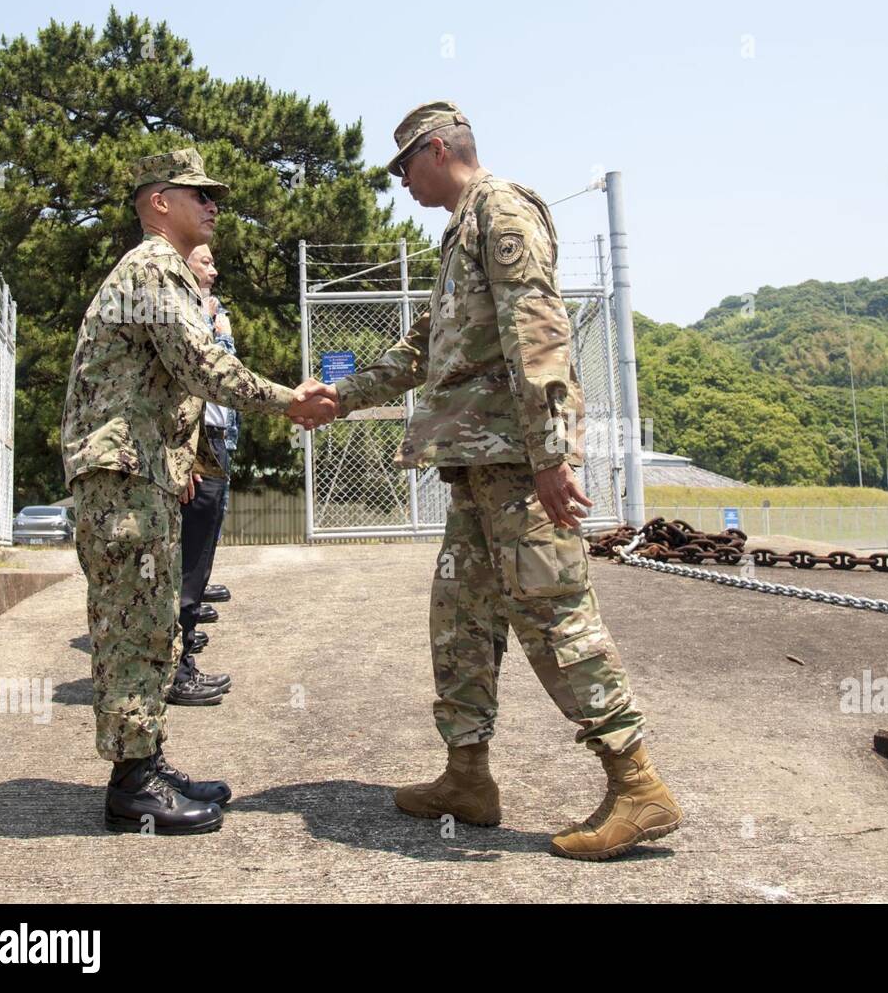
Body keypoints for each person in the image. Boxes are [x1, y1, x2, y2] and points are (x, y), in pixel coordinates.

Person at [301, 102, 683, 860]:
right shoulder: (459, 233)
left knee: (553, 612)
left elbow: (537, 330)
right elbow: (421, 351)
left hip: (516, 464)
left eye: (405, 165)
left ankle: (637, 784)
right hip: (477, 469)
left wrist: (551, 454)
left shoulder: (501, 211)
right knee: (461, 617)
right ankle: (467, 777)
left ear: (438, 150)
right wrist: (339, 396)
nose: (402, 181)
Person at [62, 147, 335, 835]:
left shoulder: (163, 269)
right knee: (133, 628)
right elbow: (200, 364)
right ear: (160, 203)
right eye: (199, 194)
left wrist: (184, 461)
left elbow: (172, 382)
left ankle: (145, 763)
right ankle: (132, 788)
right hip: (123, 477)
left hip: (138, 473)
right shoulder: (154, 266)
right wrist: (288, 399)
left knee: (152, 621)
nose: (213, 205)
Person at [167, 243, 235, 707]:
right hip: (192, 444)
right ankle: (177, 669)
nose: (213, 270)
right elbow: (193, 381)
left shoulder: (207, 311)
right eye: (204, 261)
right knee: (185, 567)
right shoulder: (175, 311)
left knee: (199, 559)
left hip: (210, 441)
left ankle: (184, 656)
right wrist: (184, 455)